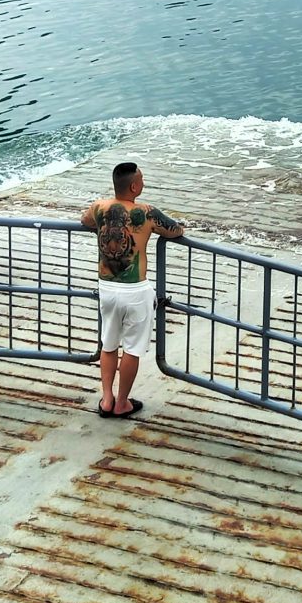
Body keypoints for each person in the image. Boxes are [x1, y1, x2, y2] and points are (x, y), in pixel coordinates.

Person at [79, 161, 185, 418]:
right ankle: (122, 403)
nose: (144, 183)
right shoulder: (146, 212)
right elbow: (176, 230)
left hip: (107, 288)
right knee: (132, 349)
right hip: (135, 290)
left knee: (108, 344)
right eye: (142, 180)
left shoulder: (99, 207)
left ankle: (106, 399)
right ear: (135, 187)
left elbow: (85, 220)